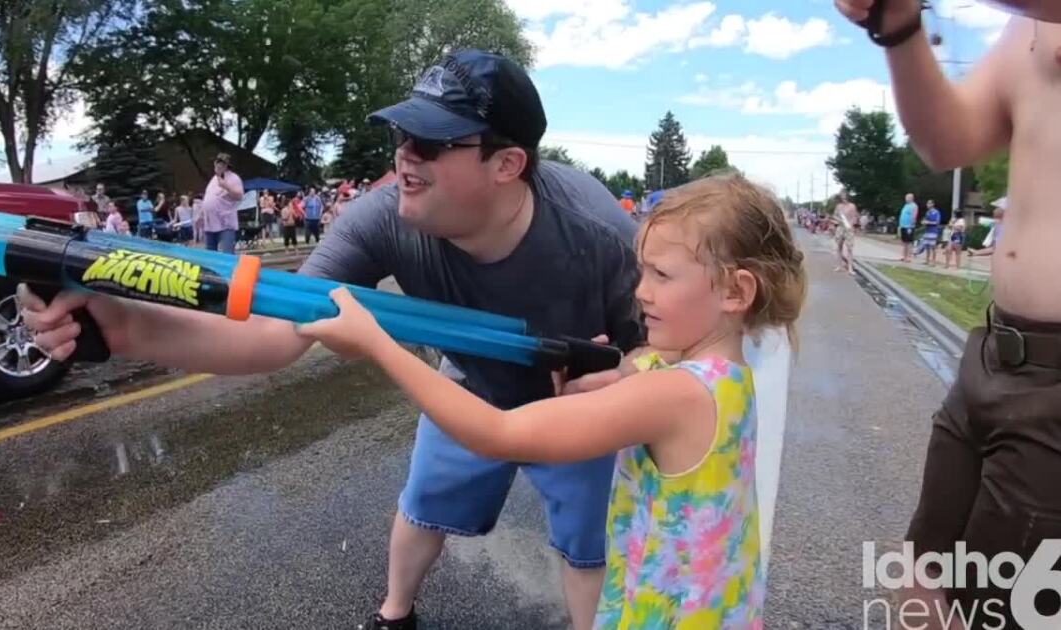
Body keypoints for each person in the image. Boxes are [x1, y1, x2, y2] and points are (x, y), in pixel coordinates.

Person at [18, 49, 644, 630]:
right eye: (401, 135)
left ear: (508, 164)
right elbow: (274, 334)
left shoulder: (600, 233)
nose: (405, 156)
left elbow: (676, 350)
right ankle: (394, 614)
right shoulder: (382, 218)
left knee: (589, 549)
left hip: (576, 406)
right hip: (469, 385)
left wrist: (625, 378)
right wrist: (121, 325)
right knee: (422, 507)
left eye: (429, 141)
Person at [298, 172, 805, 628]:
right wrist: (597, 379)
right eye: (641, 271)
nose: (640, 292)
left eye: (662, 276)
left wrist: (377, 342)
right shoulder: (718, 375)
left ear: (736, 292)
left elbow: (497, 433)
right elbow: (634, 370)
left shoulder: (676, 392)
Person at [838, 0, 1061, 625]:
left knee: (998, 612)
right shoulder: (1027, 26)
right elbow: (946, 142)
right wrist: (897, 26)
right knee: (923, 581)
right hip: (994, 355)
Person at [202, 152, 244, 254]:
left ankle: (230, 270)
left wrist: (226, 187)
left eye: (221, 163)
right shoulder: (213, 179)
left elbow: (240, 196)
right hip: (210, 223)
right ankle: (212, 270)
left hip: (225, 223)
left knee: (227, 254)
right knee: (210, 255)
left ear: (226, 165)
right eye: (217, 162)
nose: (218, 165)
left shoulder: (234, 178)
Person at [832, 192, 859, 273]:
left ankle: (850, 268)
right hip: (840, 228)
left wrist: (851, 224)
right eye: (842, 197)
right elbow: (835, 215)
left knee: (850, 248)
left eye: (845, 197)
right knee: (839, 247)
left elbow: (855, 217)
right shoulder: (839, 206)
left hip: (849, 228)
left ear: (848, 197)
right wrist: (839, 220)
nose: (844, 199)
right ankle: (839, 266)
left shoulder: (852, 206)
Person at [915, 199, 941, 265]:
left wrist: (929, 222)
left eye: (929, 203)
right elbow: (925, 220)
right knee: (927, 246)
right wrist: (923, 222)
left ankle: (933, 261)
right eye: (927, 203)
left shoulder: (936, 212)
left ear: (933, 204)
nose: (928, 205)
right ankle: (927, 260)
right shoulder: (927, 212)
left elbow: (937, 222)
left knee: (933, 247)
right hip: (927, 231)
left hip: (933, 231)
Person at [898, 193, 918, 262]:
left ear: (911, 198)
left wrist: (911, 225)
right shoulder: (906, 205)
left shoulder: (914, 206)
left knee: (909, 242)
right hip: (903, 225)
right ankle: (904, 256)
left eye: (907, 198)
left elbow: (914, 216)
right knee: (904, 241)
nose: (906, 199)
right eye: (906, 197)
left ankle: (909, 257)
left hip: (909, 226)